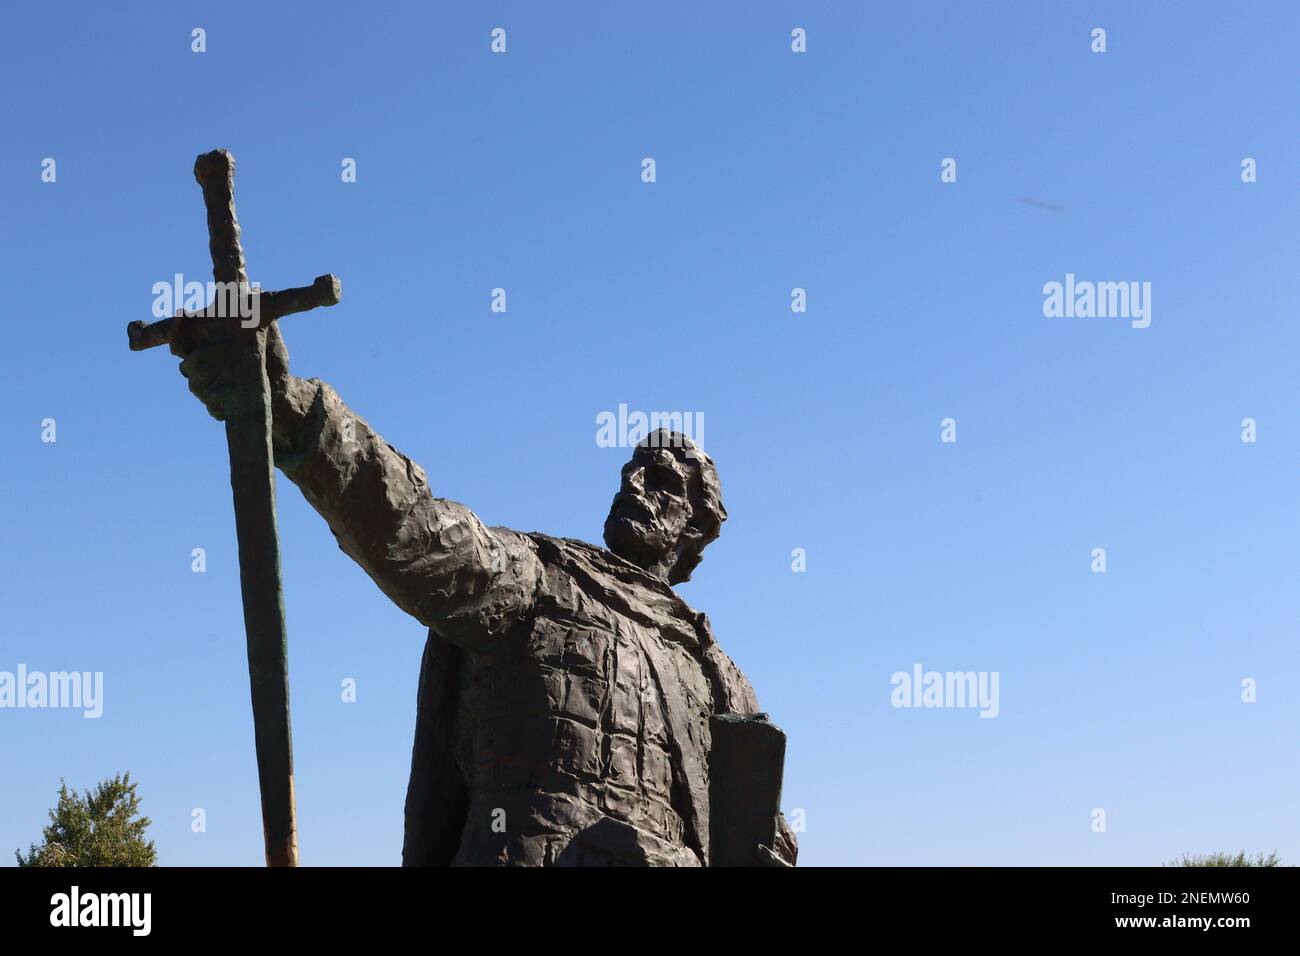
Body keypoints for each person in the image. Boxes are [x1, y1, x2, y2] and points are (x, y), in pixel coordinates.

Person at [171, 320, 796, 866]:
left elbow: (759, 839)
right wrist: (291, 410)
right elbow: (410, 530)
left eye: (659, 479)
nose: (633, 483)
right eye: (629, 469)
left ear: (694, 527)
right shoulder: (539, 578)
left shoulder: (721, 680)